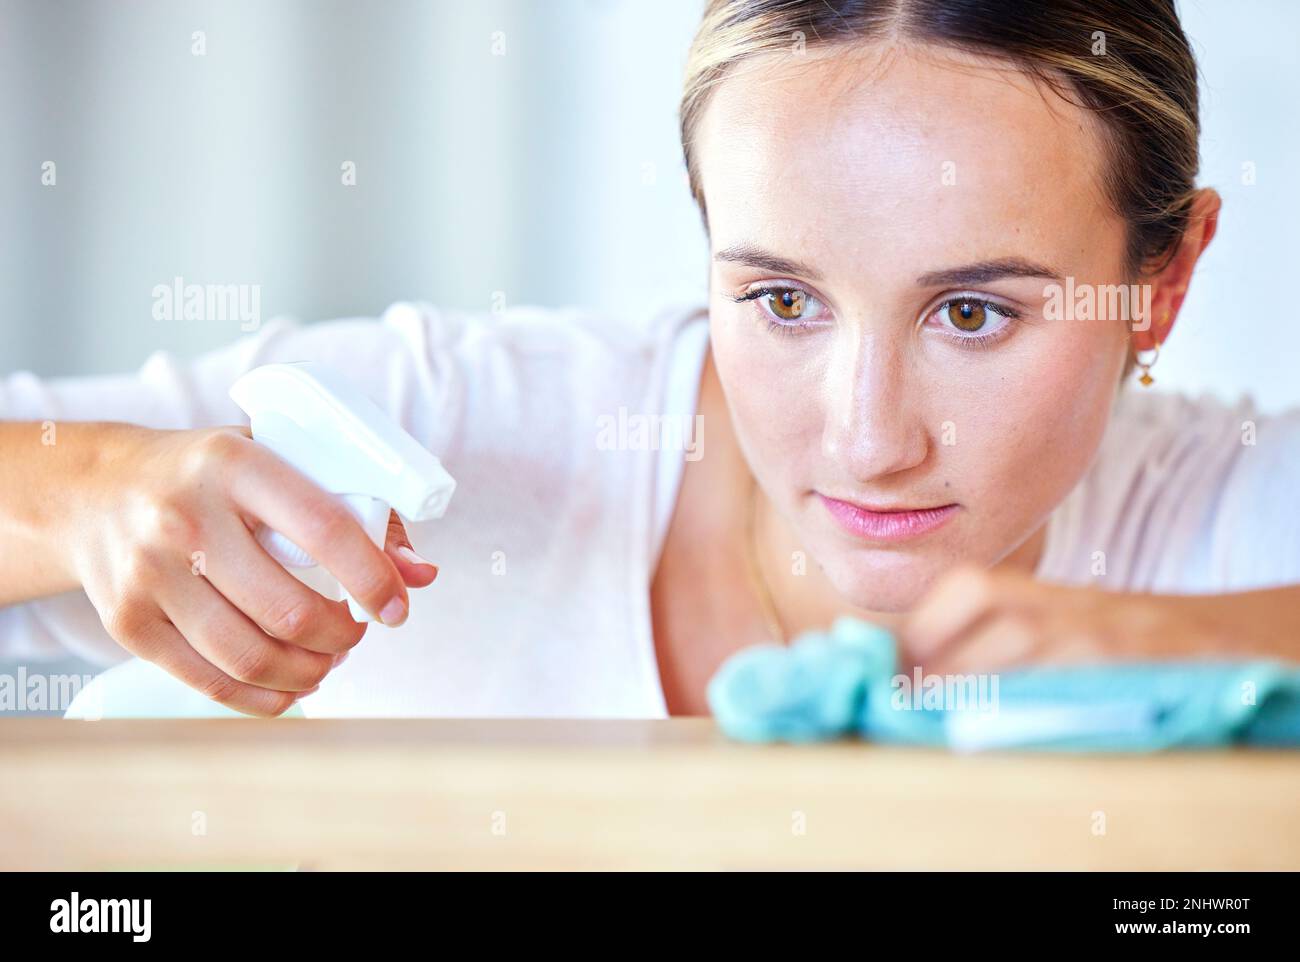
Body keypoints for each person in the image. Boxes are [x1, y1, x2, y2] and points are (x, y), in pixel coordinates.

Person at [2, 0, 1297, 719]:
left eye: (972, 316)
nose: (866, 438)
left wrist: (1176, 639)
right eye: (783, 298)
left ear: (1163, 280)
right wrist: (97, 489)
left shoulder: (1229, 513)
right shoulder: (463, 428)